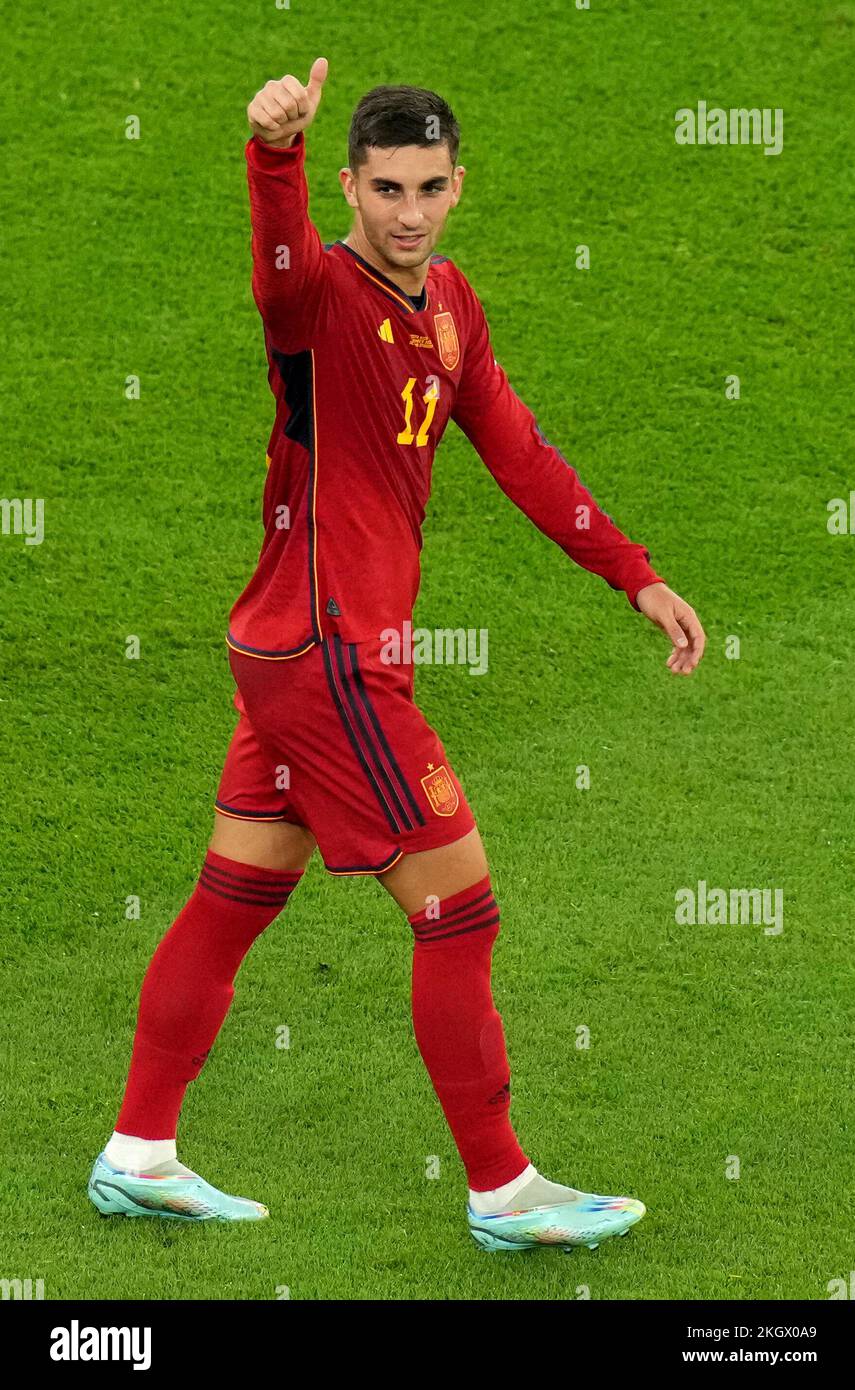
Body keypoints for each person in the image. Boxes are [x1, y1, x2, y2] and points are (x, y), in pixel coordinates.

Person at [88, 57, 705, 1252]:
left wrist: (634, 571)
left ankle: (138, 1151)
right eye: (384, 188)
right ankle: (502, 1188)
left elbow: (519, 452)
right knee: (459, 911)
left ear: (458, 185)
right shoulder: (314, 294)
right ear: (349, 187)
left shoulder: (454, 304)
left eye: (428, 186)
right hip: (333, 657)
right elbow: (275, 262)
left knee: (234, 898)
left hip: (290, 650)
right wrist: (269, 152)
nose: (408, 211)